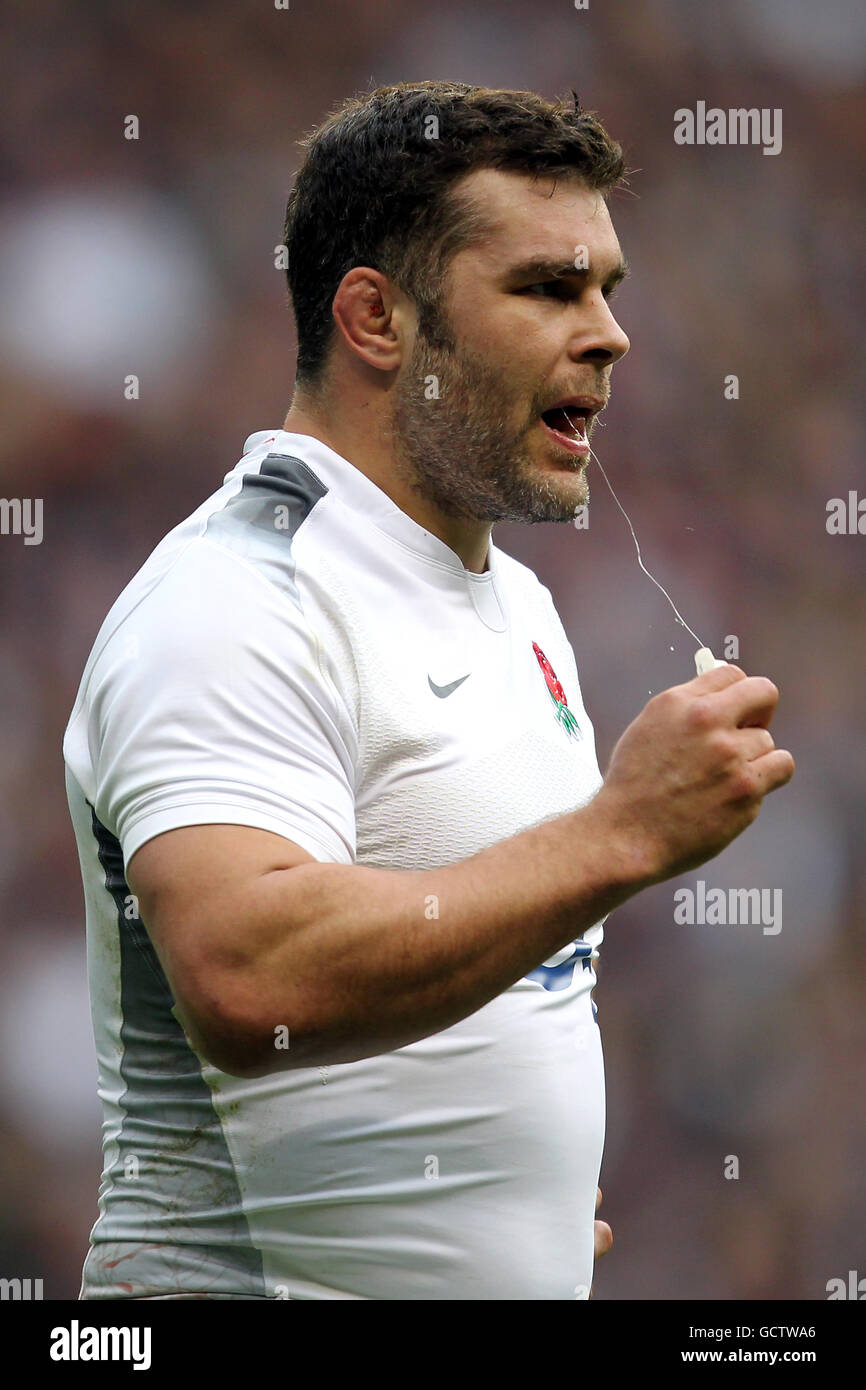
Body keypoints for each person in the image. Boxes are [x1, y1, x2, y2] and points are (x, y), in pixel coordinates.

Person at [62, 81, 794, 1300]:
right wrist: (619, 834)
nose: (609, 332)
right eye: (548, 287)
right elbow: (251, 981)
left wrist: (508, 1202)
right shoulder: (239, 598)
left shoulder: (508, 599)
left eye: (608, 289)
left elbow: (477, 965)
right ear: (375, 318)